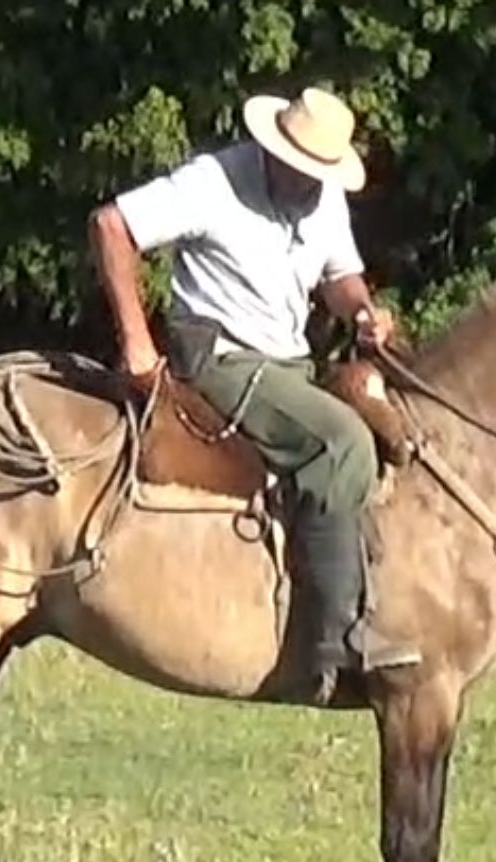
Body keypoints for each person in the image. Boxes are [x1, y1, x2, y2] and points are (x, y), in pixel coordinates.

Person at [87, 86, 419, 705]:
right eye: (306, 169)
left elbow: (340, 276)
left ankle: (349, 591)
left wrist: (365, 311)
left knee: (381, 426)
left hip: (289, 362)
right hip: (217, 357)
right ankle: (334, 644)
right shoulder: (212, 181)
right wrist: (135, 339)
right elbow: (112, 224)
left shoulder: (322, 198)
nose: (313, 181)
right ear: (276, 149)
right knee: (341, 442)